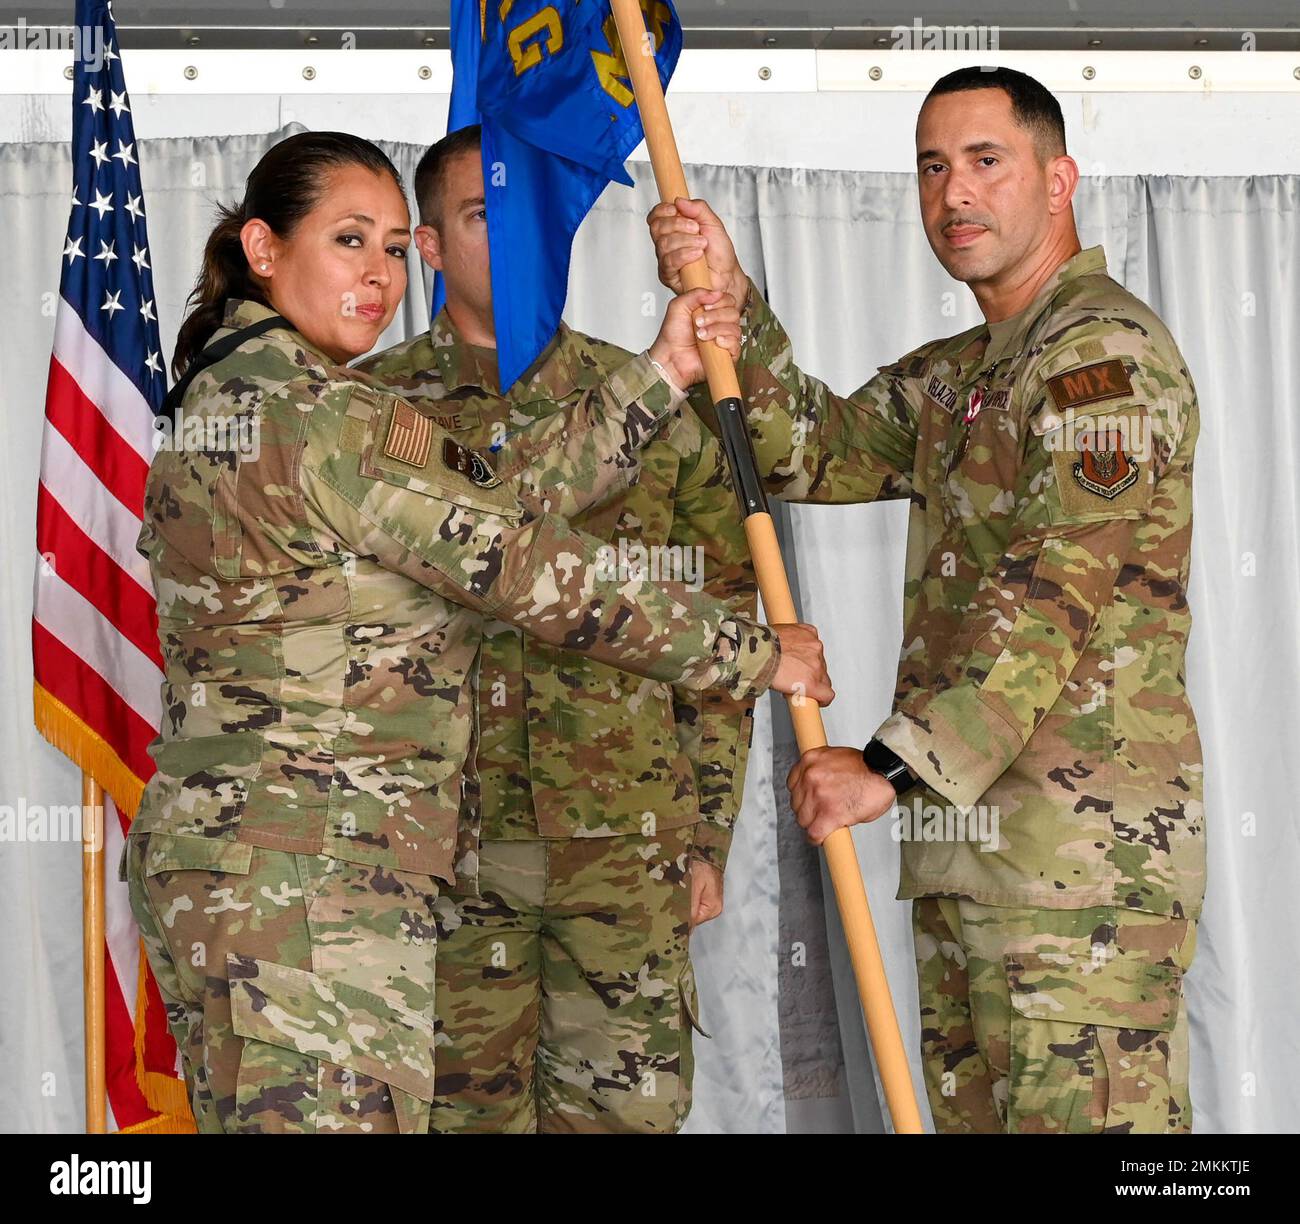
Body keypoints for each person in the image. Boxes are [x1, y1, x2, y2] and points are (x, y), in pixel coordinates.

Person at [121, 130, 831, 1134]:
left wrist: (661, 373)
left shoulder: (233, 397)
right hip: (309, 876)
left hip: (242, 864)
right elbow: (523, 563)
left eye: (387, 248)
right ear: (264, 248)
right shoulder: (325, 413)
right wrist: (754, 653)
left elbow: (489, 500)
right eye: (347, 240)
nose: (377, 276)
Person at [647, 66, 1203, 1134]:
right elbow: (810, 449)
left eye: (987, 161)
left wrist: (889, 767)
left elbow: (1053, 594)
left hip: (1076, 873)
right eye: (933, 166)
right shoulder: (966, 373)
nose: (955, 192)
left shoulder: (1100, 355)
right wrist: (731, 301)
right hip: (971, 861)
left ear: (1059, 181)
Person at [356, 125, 759, 1133]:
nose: (517, 234)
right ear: (429, 245)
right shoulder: (368, 410)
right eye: (483, 214)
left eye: (532, 210)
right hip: (442, 851)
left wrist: (707, 834)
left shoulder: (665, 402)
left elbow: (721, 629)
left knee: (627, 1118)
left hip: (625, 847)